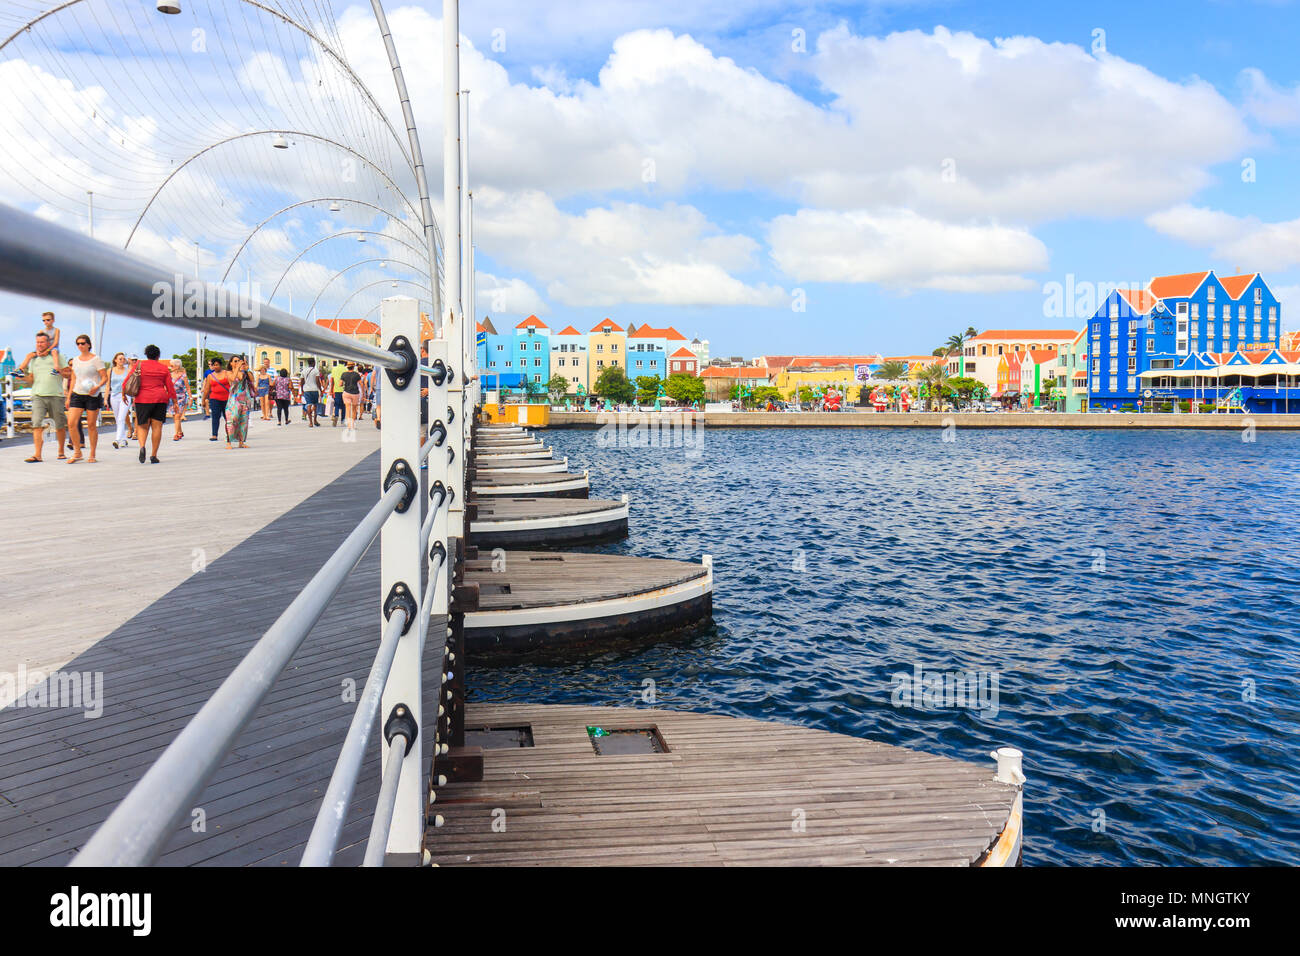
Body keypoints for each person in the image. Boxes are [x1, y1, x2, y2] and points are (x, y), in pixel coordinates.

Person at [16, 330, 69, 462]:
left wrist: (59, 371)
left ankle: (61, 451)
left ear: (48, 343)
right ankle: (37, 454)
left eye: (42, 342)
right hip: (38, 395)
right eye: (37, 342)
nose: (39, 344)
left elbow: (69, 374)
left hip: (55, 395)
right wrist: (22, 377)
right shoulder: (34, 359)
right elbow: (31, 379)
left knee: (60, 425)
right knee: (37, 424)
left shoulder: (57, 356)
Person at [128, 344, 176, 463]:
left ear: (146, 354)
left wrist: (124, 394)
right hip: (159, 398)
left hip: (142, 398)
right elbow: (170, 386)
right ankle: (154, 455)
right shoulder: (163, 368)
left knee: (142, 425)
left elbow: (128, 380)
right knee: (157, 426)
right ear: (158, 356)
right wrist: (175, 401)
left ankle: (142, 446)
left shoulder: (138, 366)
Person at [65, 334, 107, 463]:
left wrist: (98, 387)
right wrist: (68, 396)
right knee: (71, 423)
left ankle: (92, 454)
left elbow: (104, 377)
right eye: (78, 343)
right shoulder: (76, 360)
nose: (80, 346)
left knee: (91, 425)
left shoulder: (96, 359)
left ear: (88, 344)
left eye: (83, 343)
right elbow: (73, 378)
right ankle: (77, 452)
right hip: (77, 393)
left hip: (92, 395)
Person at [225, 355, 256, 448]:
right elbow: (233, 379)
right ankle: (229, 442)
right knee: (232, 419)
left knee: (244, 421)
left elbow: (252, 379)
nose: (237, 362)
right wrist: (237, 368)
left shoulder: (244, 372)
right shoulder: (229, 372)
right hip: (234, 400)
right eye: (235, 361)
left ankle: (241, 442)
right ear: (230, 363)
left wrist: (247, 369)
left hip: (245, 400)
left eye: (238, 361)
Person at [107, 352, 134, 449]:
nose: (122, 360)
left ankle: (117, 439)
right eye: (120, 359)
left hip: (125, 396)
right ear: (115, 360)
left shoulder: (128, 370)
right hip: (114, 395)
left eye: (123, 359)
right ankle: (123, 439)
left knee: (121, 418)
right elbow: (108, 385)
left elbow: (131, 384)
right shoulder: (110, 370)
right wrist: (106, 398)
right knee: (117, 418)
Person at [202, 357, 229, 441]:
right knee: (215, 416)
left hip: (227, 399)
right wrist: (203, 400)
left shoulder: (227, 373)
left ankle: (230, 434)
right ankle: (214, 435)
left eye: (217, 365)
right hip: (215, 398)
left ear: (221, 365)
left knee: (228, 417)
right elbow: (207, 389)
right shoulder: (210, 376)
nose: (215, 367)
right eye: (213, 365)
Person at [168, 358, 191, 441]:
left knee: (177, 416)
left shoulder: (183, 376)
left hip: (181, 398)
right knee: (175, 416)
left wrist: (190, 398)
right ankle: (180, 431)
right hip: (172, 398)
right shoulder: (169, 375)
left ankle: (176, 434)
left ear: (177, 366)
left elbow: (188, 388)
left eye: (172, 366)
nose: (170, 367)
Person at [340, 361, 363, 430]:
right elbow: (361, 384)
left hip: (346, 392)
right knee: (354, 409)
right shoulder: (356, 374)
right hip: (355, 393)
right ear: (353, 367)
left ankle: (349, 425)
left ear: (347, 367)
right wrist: (364, 393)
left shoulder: (344, 374)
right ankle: (352, 425)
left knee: (347, 409)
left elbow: (340, 384)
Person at [300, 358, 321, 427]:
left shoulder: (304, 371)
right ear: (314, 363)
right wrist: (320, 389)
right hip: (314, 390)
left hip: (307, 390)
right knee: (315, 405)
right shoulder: (316, 370)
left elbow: (302, 381)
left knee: (308, 405)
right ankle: (315, 420)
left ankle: (310, 422)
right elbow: (318, 381)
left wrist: (302, 389)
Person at [329, 360, 346, 426]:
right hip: (344, 389)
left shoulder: (334, 369)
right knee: (344, 405)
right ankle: (343, 420)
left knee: (337, 405)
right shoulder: (346, 369)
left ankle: (336, 415)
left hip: (336, 389)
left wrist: (331, 390)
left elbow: (332, 380)